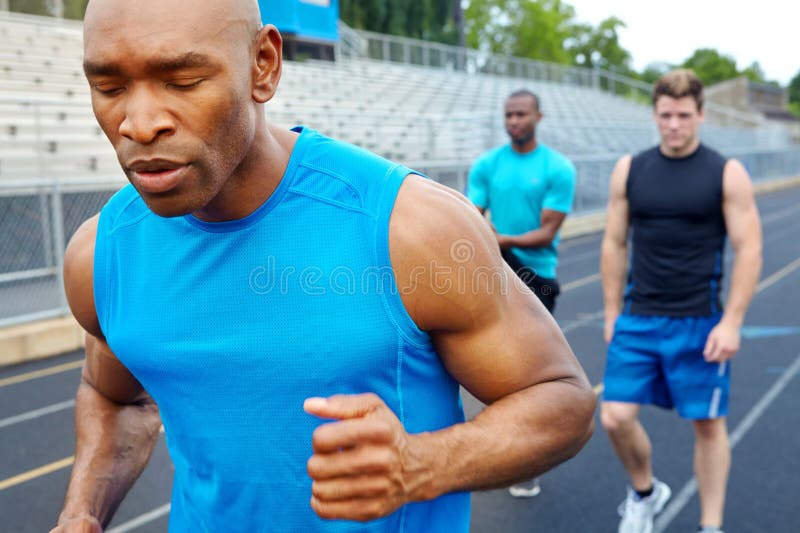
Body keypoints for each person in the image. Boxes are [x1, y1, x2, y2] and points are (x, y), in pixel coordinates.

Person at [50, 1, 597, 531]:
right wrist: (82, 510)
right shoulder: (100, 255)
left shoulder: (411, 228)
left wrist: (422, 464)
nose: (139, 124)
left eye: (183, 81)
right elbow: (115, 399)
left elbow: (562, 400)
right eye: (110, 88)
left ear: (263, 65)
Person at [600, 69, 762, 533]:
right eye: (666, 115)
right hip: (639, 317)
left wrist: (732, 322)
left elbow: (749, 247)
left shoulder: (726, 173)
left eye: (684, 116)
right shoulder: (630, 169)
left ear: (701, 115)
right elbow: (614, 243)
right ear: (654, 115)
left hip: (699, 322)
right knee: (614, 417)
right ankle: (644, 493)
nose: (674, 125)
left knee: (708, 425)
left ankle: (710, 525)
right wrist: (611, 312)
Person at [467, 89, 577, 498]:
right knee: (492, 360)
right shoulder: (487, 165)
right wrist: (484, 238)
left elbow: (547, 232)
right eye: (509, 114)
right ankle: (499, 445)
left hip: (536, 274)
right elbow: (471, 216)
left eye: (521, 114)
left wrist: (500, 239)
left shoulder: (557, 168)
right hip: (497, 267)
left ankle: (529, 457)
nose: (514, 121)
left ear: (538, 117)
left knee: (532, 369)